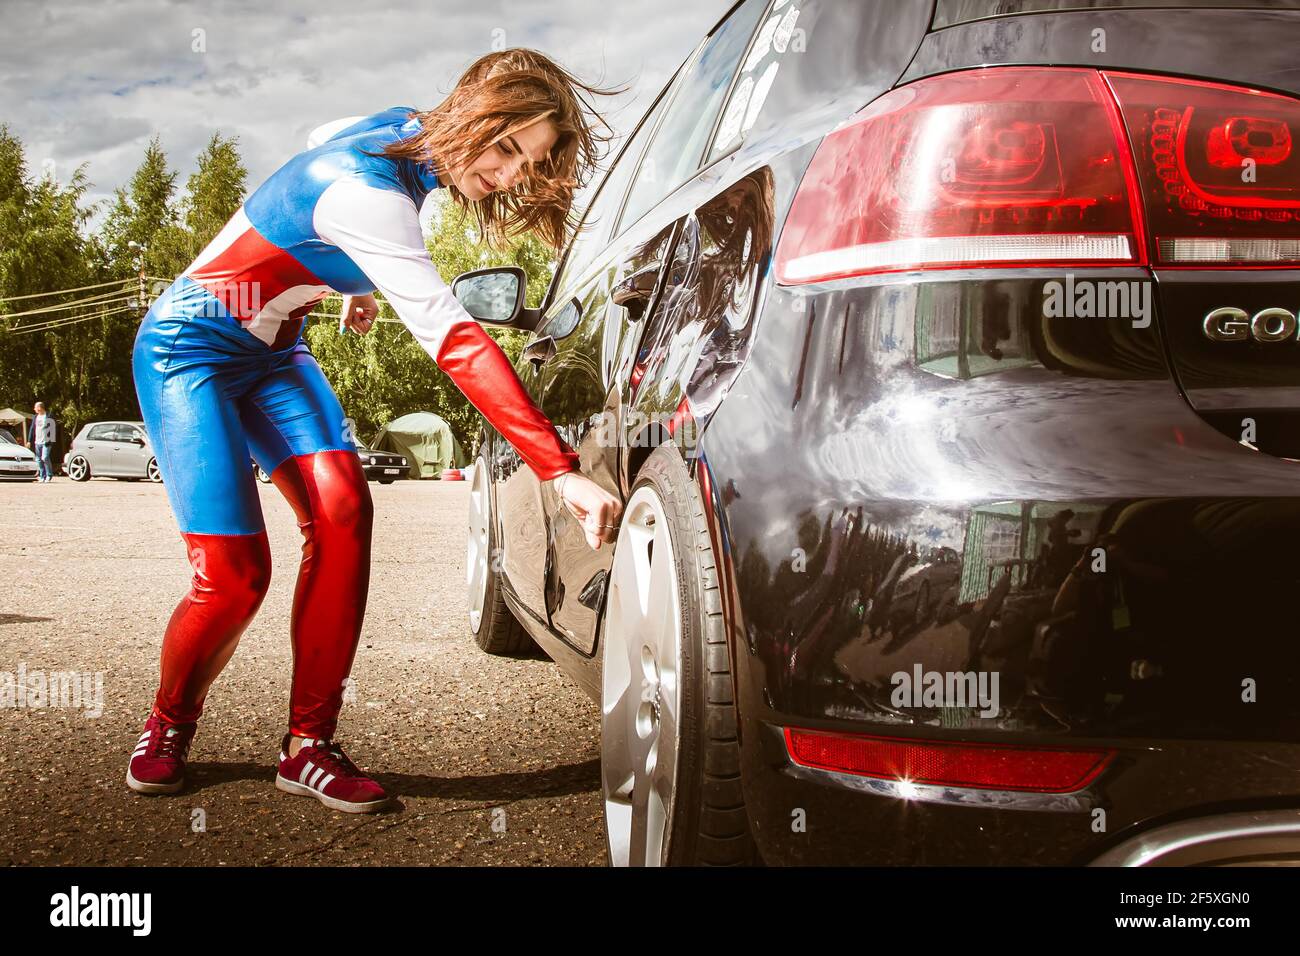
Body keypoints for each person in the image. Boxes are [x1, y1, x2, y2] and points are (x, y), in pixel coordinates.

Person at [126, 48, 624, 812]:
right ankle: (167, 724)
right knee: (234, 578)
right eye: (506, 147)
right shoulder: (367, 196)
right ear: (471, 115)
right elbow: (456, 343)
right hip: (187, 349)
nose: (511, 174)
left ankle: (309, 747)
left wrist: (349, 277)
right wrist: (559, 469)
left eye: (531, 160)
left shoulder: (401, 130)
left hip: (275, 352)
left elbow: (317, 143)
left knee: (345, 511)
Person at [30, 402, 55, 482]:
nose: (34, 409)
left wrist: (50, 440)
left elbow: (52, 429)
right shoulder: (35, 417)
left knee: (45, 457)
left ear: (39, 408)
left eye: (35, 407)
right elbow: (32, 429)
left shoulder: (48, 416)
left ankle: (49, 475)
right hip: (37, 442)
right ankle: (42, 476)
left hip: (46, 442)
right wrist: (29, 440)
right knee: (39, 459)